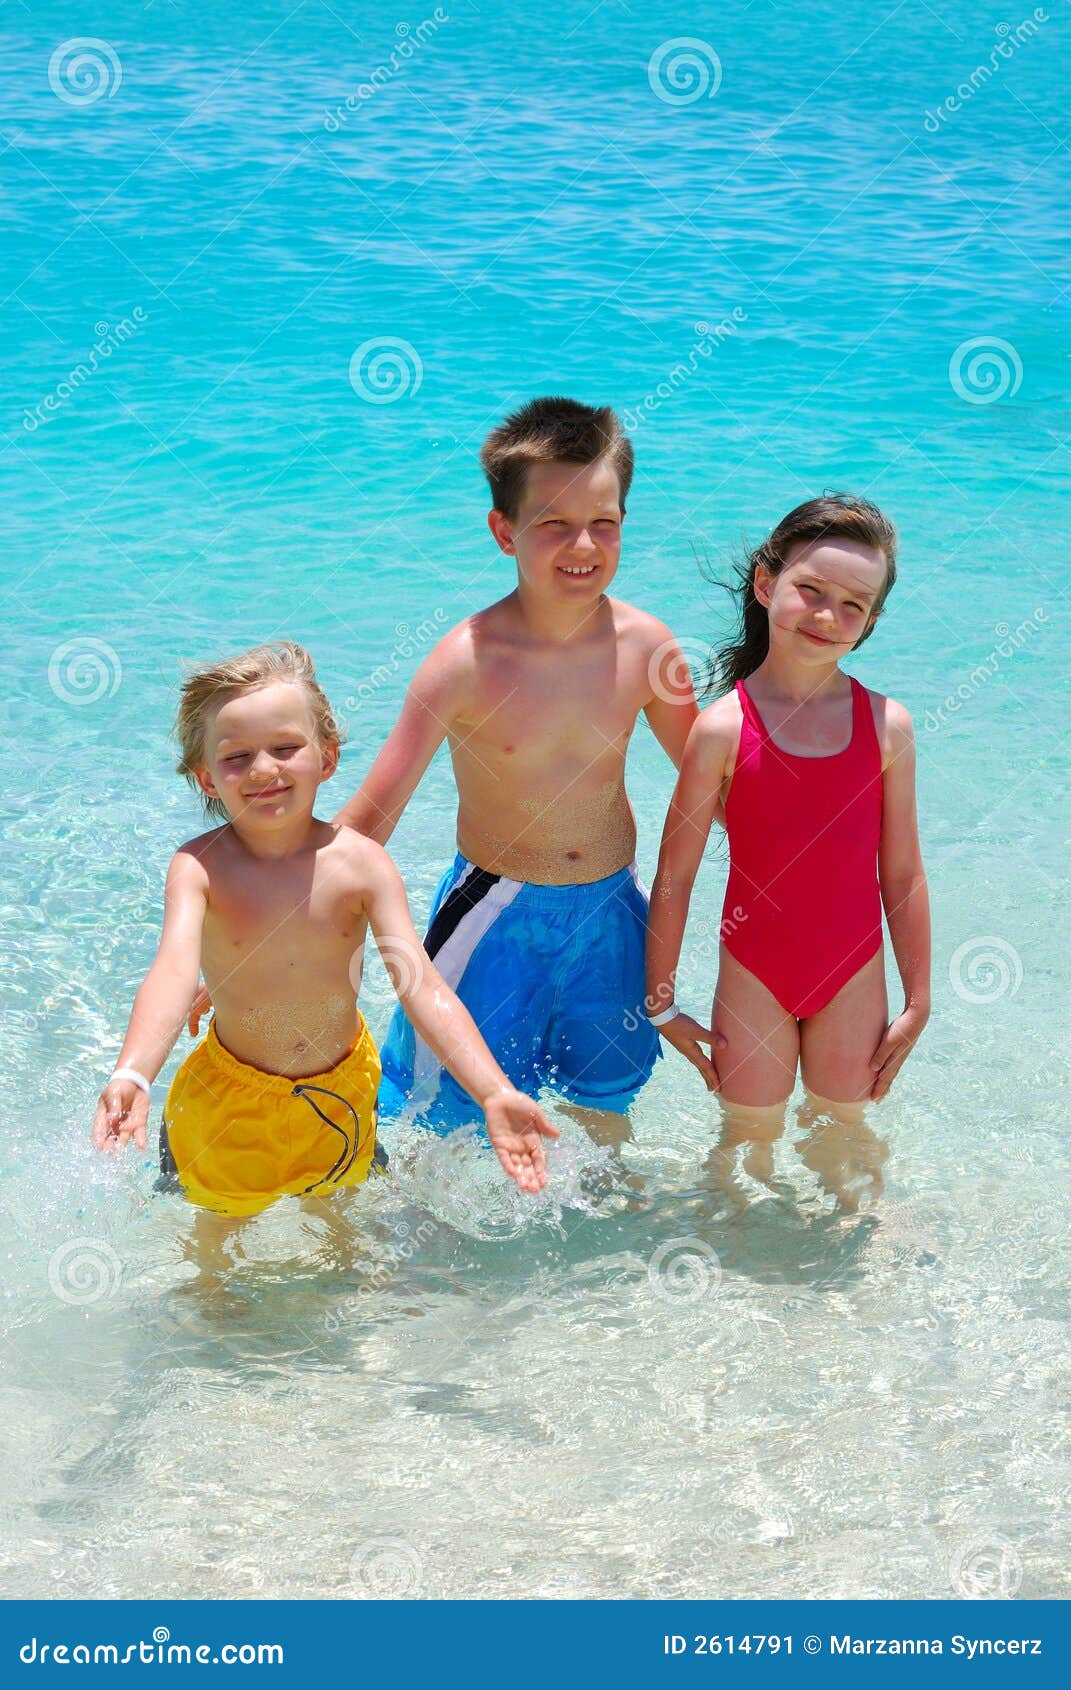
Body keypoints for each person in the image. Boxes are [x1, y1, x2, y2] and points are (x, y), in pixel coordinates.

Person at [92, 643, 558, 1254]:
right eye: (236, 757)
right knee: (215, 1244)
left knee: (343, 1233)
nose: (263, 769)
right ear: (206, 777)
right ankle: (212, 1331)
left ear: (327, 757)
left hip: (340, 1092)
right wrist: (134, 1070)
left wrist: (493, 1091)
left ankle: (353, 1342)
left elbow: (419, 984)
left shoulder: (362, 865)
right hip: (230, 1103)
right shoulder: (199, 867)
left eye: (285, 748)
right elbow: (174, 970)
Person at [333, 396, 699, 1142]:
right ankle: (420, 1255)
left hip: (612, 911)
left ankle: (604, 1242)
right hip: (494, 914)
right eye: (553, 524)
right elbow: (370, 821)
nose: (583, 544)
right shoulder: (464, 662)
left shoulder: (646, 647)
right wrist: (273, 918)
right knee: (446, 1113)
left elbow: (712, 784)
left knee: (605, 1097)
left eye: (604, 523)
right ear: (505, 532)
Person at [645, 495, 930, 1207]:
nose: (826, 615)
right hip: (754, 974)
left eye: (852, 606)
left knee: (845, 1137)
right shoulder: (719, 731)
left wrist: (918, 999)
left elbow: (900, 873)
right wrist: (660, 1004)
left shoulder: (886, 727)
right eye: (810, 590)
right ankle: (731, 1298)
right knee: (746, 1141)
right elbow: (673, 875)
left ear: (868, 626)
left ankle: (859, 1281)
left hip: (852, 974)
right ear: (766, 585)